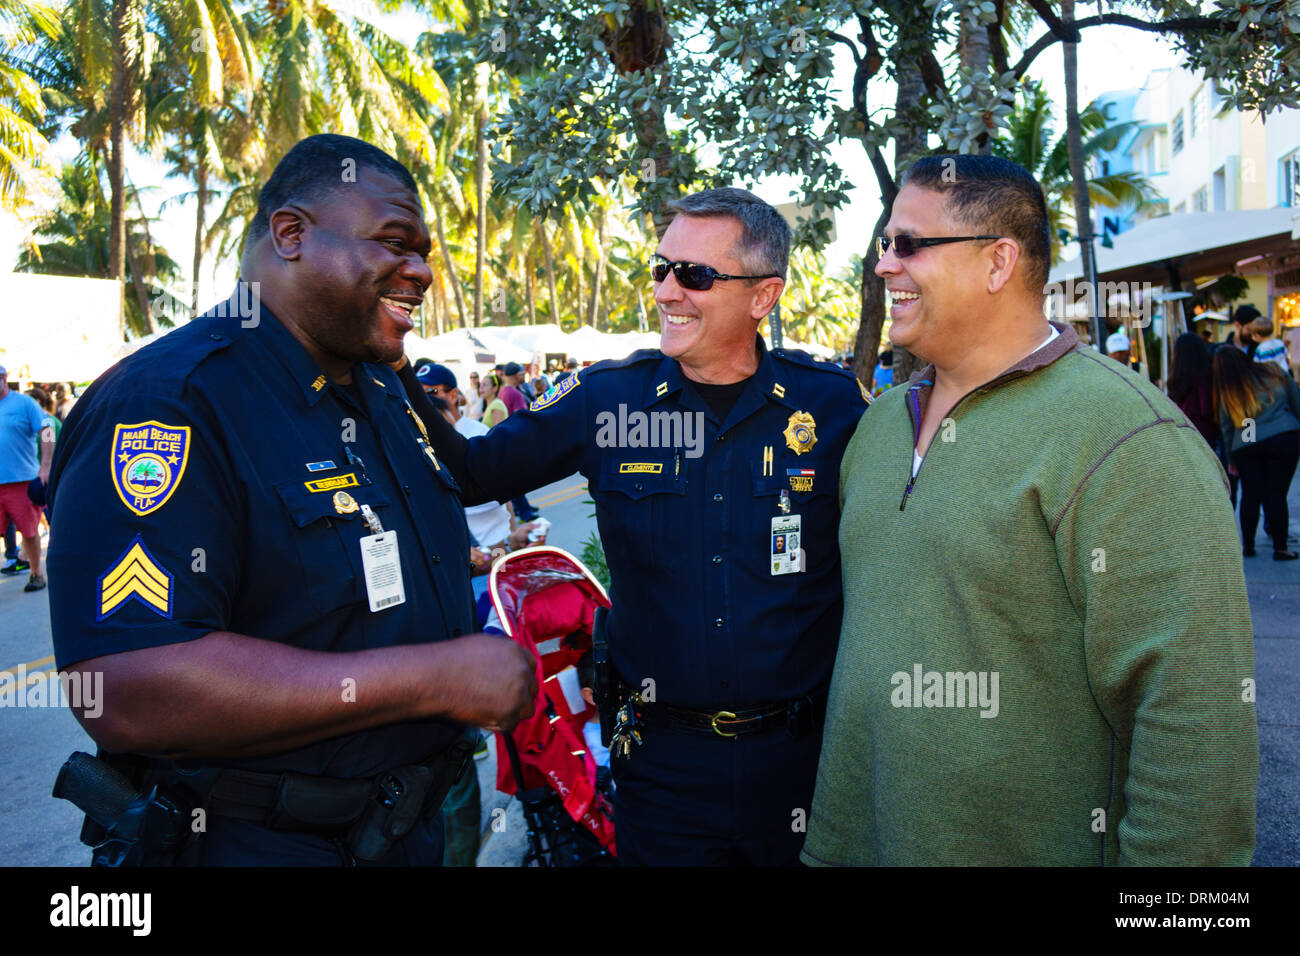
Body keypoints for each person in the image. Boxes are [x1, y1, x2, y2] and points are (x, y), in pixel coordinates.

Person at [45, 134, 536, 866]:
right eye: (395, 242)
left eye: (424, 250)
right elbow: (124, 686)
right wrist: (437, 678)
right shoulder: (170, 403)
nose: (423, 271)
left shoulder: (380, 390)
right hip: (260, 844)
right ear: (291, 235)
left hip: (409, 830)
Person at [804, 154, 1257, 866]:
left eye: (909, 244)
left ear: (997, 262)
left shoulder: (1129, 439)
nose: (884, 266)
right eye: (884, 243)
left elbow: (1194, 725)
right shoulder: (881, 424)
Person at [397, 186, 869, 866]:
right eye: (661, 268)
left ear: (764, 296)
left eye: (695, 275)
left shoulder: (829, 406)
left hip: (804, 763)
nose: (668, 292)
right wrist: (396, 371)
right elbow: (473, 473)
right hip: (661, 766)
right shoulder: (608, 399)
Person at [1213, 345, 1300, 560]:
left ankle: (1248, 547)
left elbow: (1227, 426)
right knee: (1276, 494)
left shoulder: (1229, 388)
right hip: (1283, 433)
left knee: (1250, 494)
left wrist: (1232, 459)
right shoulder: (1273, 371)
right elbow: (1295, 401)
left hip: (1248, 434)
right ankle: (1280, 548)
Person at [0, 364, 54, 592]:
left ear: (3, 378)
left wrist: (46, 467)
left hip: (20, 480)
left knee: (29, 531)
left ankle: (36, 573)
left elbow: (48, 428)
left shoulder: (24, 403)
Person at [1168, 331, 1217, 447]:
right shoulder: (1205, 375)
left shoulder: (1176, 376)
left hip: (1183, 431)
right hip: (1204, 433)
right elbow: (1207, 408)